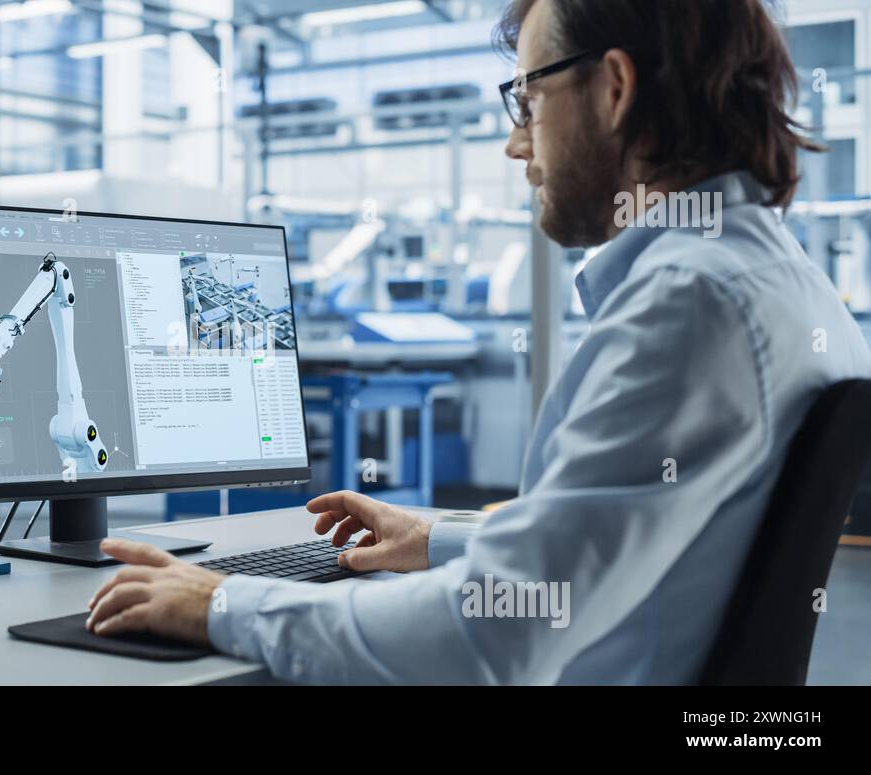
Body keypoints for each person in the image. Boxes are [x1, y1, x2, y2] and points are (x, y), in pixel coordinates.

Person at [84, 0, 871, 684]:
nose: (516, 146)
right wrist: (439, 538)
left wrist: (220, 601)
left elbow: (490, 640)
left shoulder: (690, 305)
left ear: (616, 89)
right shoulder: (780, 283)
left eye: (528, 102)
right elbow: (616, 544)